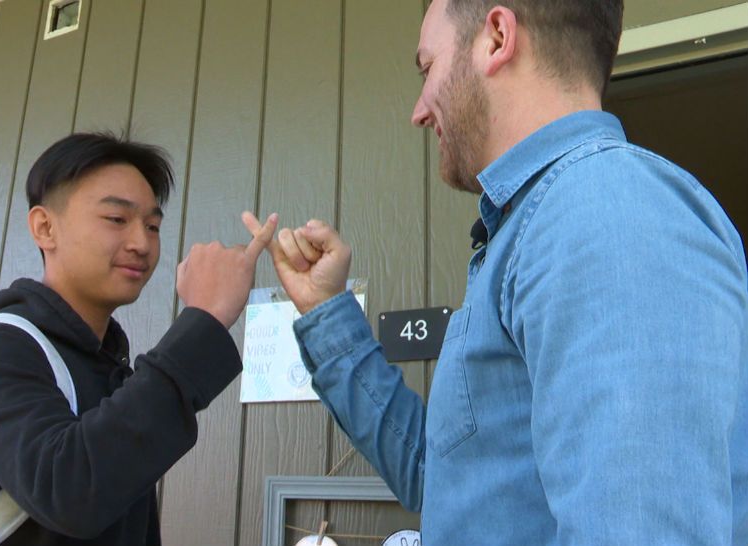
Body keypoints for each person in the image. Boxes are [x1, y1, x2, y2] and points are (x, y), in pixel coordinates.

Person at [246, 0, 748, 544]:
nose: (418, 110)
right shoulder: (538, 224)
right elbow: (444, 481)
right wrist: (326, 311)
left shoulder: (609, 209)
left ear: (496, 37)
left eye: (427, 68)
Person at [0, 132, 277, 545]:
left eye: (153, 225)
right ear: (44, 227)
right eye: (116, 219)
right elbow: (69, 491)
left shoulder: (107, 364)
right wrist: (205, 318)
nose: (141, 243)